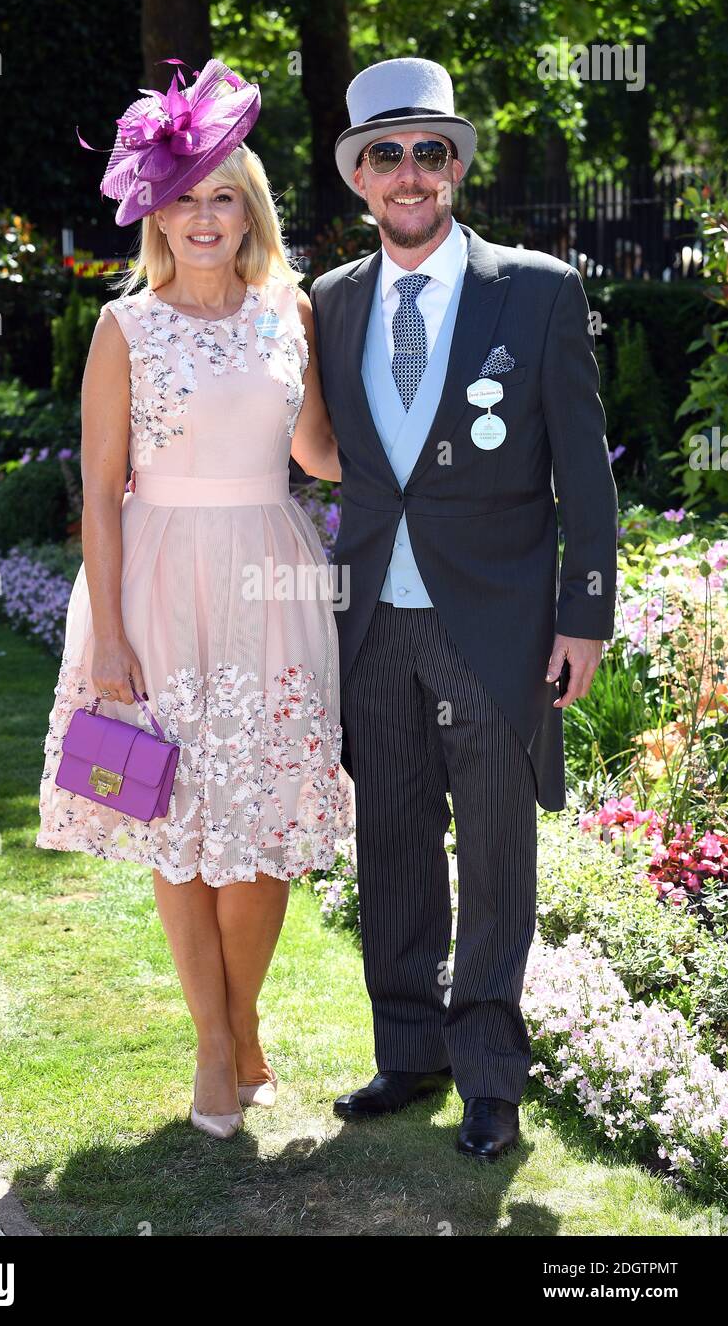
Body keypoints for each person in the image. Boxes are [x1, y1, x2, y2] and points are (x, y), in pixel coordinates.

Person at [36, 58, 353, 1140]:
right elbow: (101, 491)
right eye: (184, 198)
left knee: (260, 823)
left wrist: (428, 444)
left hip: (273, 576)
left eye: (224, 195)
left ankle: (245, 1020)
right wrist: (111, 633)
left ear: (250, 209)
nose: (203, 216)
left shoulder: (291, 311)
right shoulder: (125, 327)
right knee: (175, 815)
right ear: (155, 213)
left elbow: (315, 451)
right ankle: (215, 1047)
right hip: (159, 581)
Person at [309, 57, 618, 1158]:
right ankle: (410, 1051)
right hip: (372, 621)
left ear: (454, 169)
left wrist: (582, 616)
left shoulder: (534, 290)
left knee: (494, 851)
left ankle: (490, 1073)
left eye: (428, 152)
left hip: (495, 621)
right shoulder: (331, 302)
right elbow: (326, 460)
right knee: (388, 835)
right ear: (358, 177)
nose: (408, 174)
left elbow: (585, 472)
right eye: (384, 155)